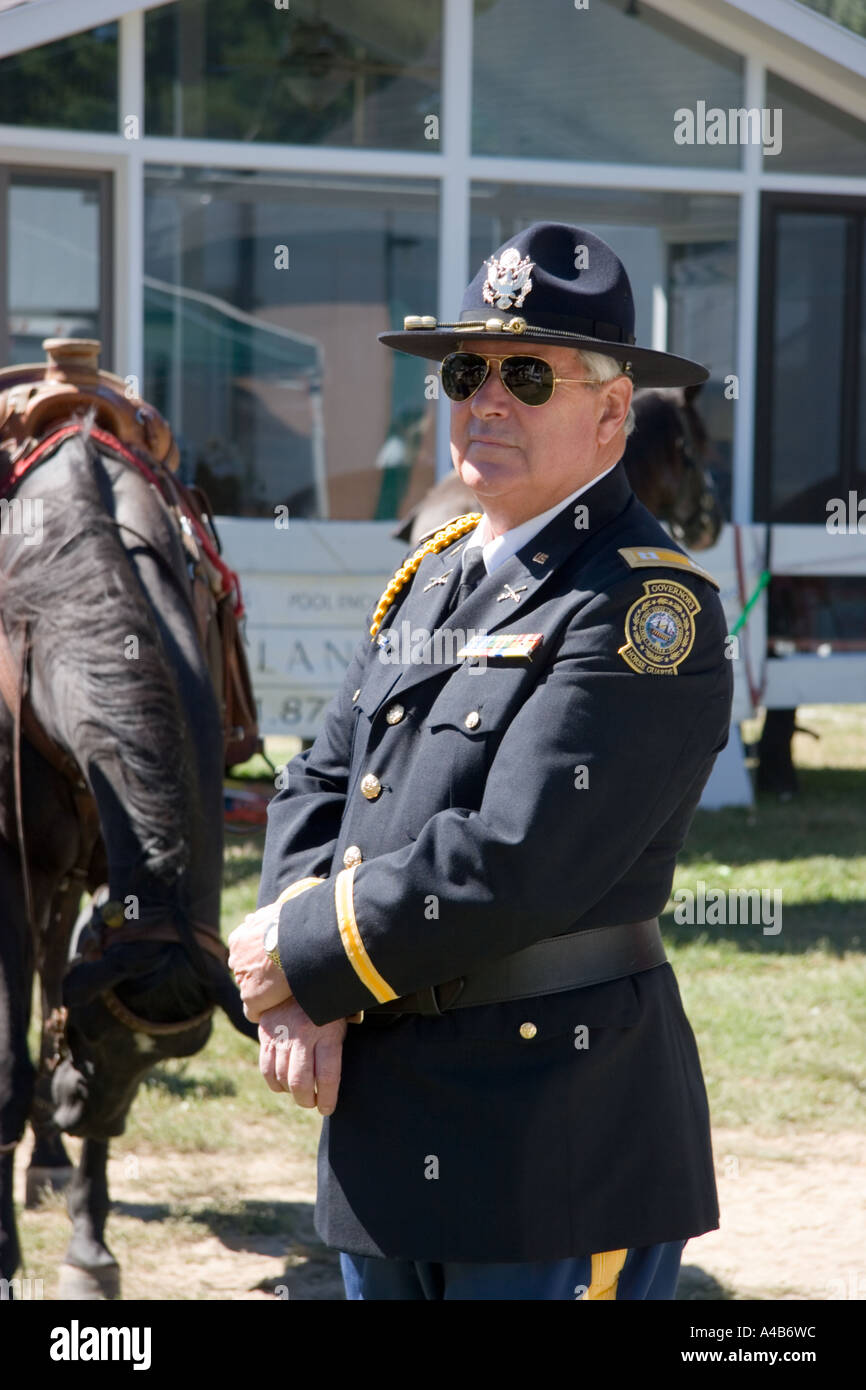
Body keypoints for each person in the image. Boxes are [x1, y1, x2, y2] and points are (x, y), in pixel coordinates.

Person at [228, 221, 734, 1301]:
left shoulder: (644, 605)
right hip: (378, 1123)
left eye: (525, 375)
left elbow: (518, 856)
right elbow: (320, 779)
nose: (484, 399)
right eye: (465, 371)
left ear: (611, 412)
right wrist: (295, 987)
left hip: (549, 1133)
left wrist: (303, 956)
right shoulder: (431, 578)